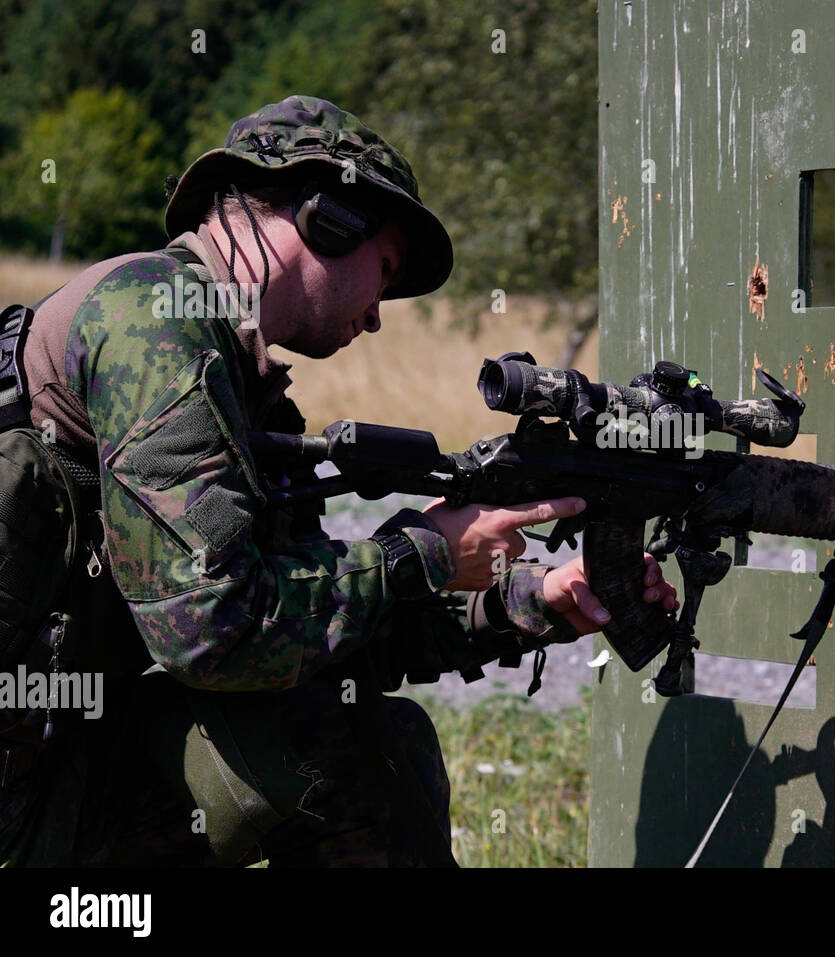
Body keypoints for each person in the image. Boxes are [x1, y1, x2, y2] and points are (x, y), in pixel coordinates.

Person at [0, 94, 675, 867]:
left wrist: (529, 599)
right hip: (24, 803)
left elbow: (316, 637)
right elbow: (212, 631)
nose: (378, 316)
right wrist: (416, 552)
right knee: (340, 749)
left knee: (366, 741)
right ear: (329, 220)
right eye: (383, 273)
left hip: (54, 761)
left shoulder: (243, 382)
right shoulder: (153, 317)